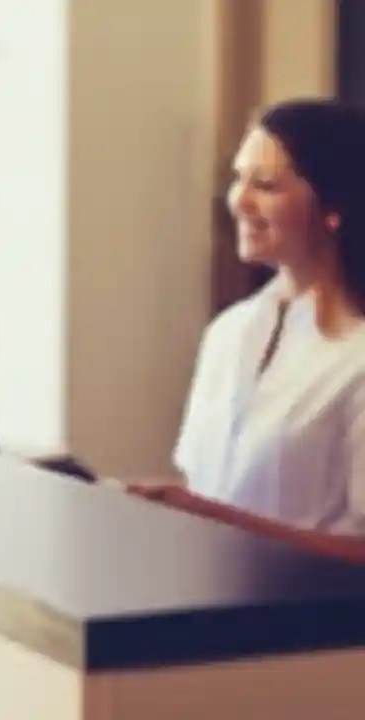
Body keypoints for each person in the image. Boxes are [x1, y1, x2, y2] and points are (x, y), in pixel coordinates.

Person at [129, 99, 365, 564]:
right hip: (209, 614)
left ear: (333, 207)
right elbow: (209, 490)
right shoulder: (227, 335)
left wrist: (210, 517)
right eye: (239, 178)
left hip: (317, 633)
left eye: (266, 185)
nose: (239, 200)